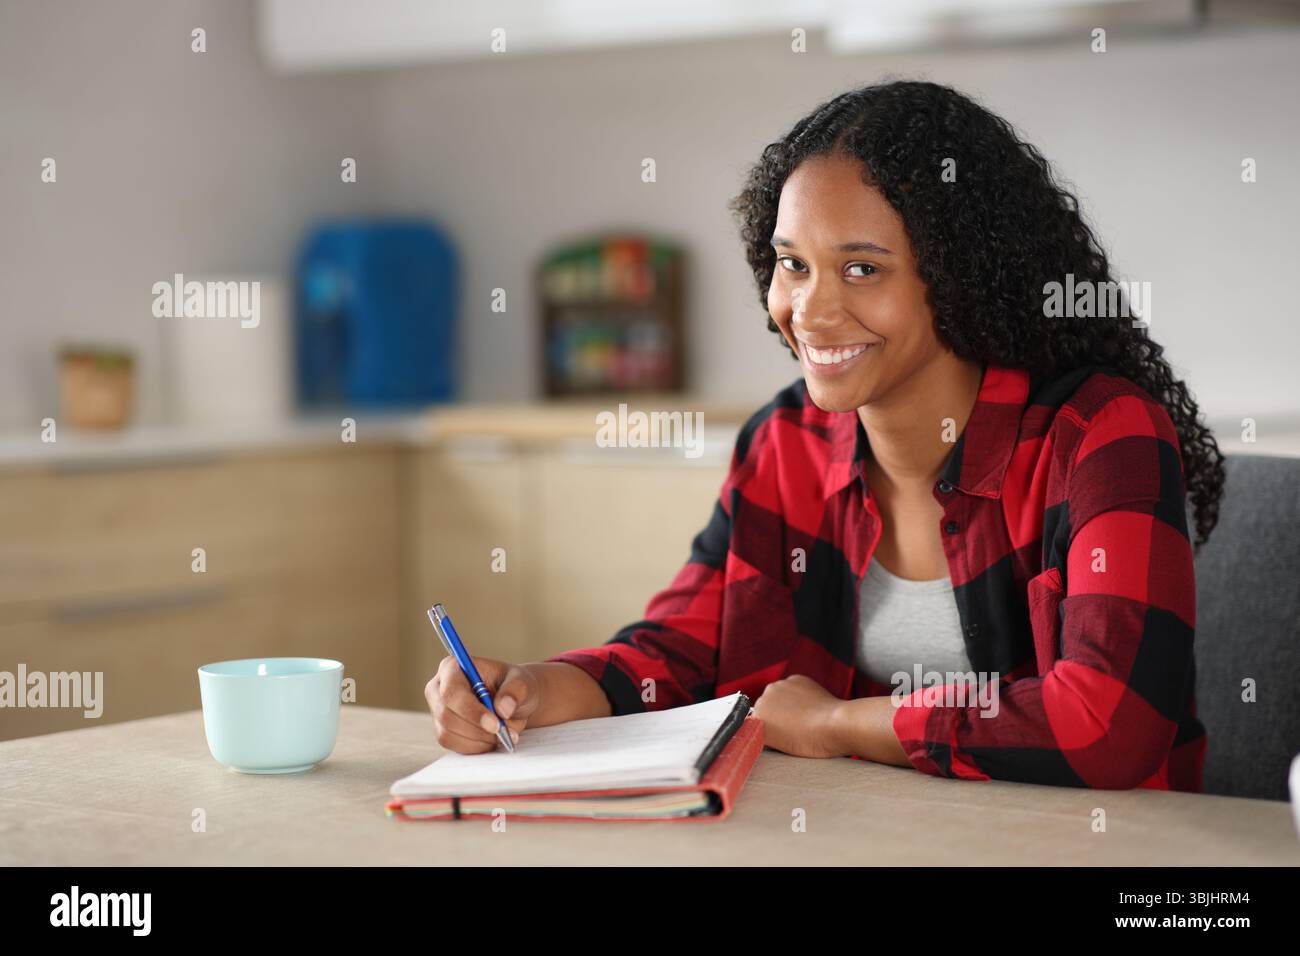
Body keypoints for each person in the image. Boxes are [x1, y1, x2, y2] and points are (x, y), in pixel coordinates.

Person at [425, 80, 1223, 791]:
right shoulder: (788, 440)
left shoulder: (1096, 435)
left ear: (961, 279)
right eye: (792, 264)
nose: (807, 308)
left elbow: (1108, 725)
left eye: (862, 269)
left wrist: (841, 723)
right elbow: (680, 651)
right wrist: (534, 689)